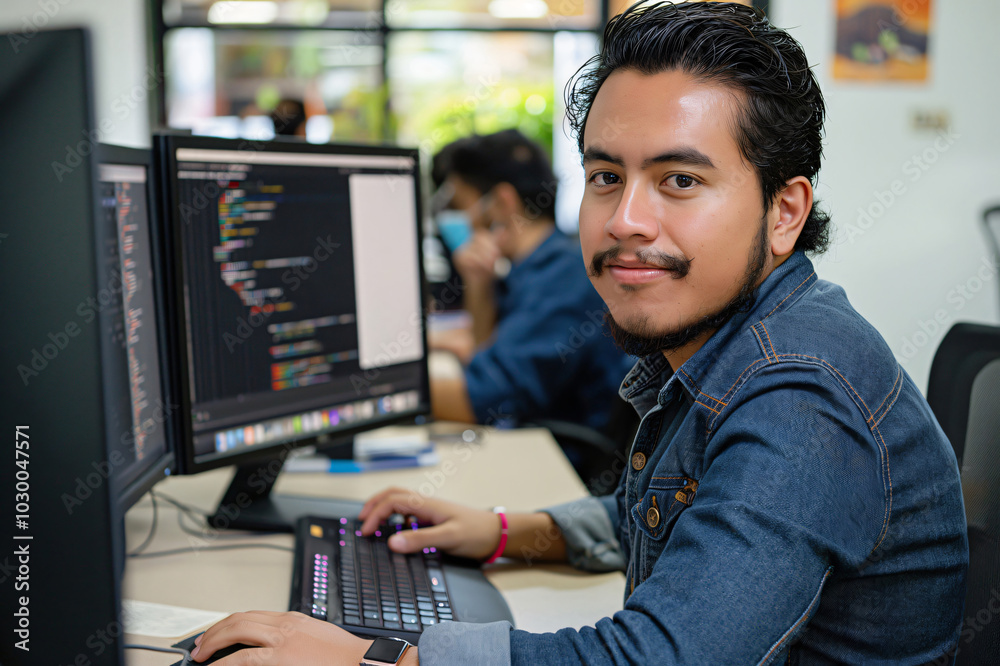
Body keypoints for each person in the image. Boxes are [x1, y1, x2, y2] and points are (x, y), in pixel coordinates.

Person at [190, 3, 968, 663]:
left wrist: (371, 656)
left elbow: (655, 657)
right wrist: (502, 533)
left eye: (680, 181)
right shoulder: (732, 342)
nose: (626, 219)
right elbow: (681, 511)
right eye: (606, 177)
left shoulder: (799, 394)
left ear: (784, 212)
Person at [427, 129, 633, 432]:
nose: (459, 221)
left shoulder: (561, 279)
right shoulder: (529, 270)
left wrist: (371, 386)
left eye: (459, 207)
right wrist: (479, 285)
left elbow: (479, 400)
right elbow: (484, 352)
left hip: (561, 460)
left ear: (502, 202)